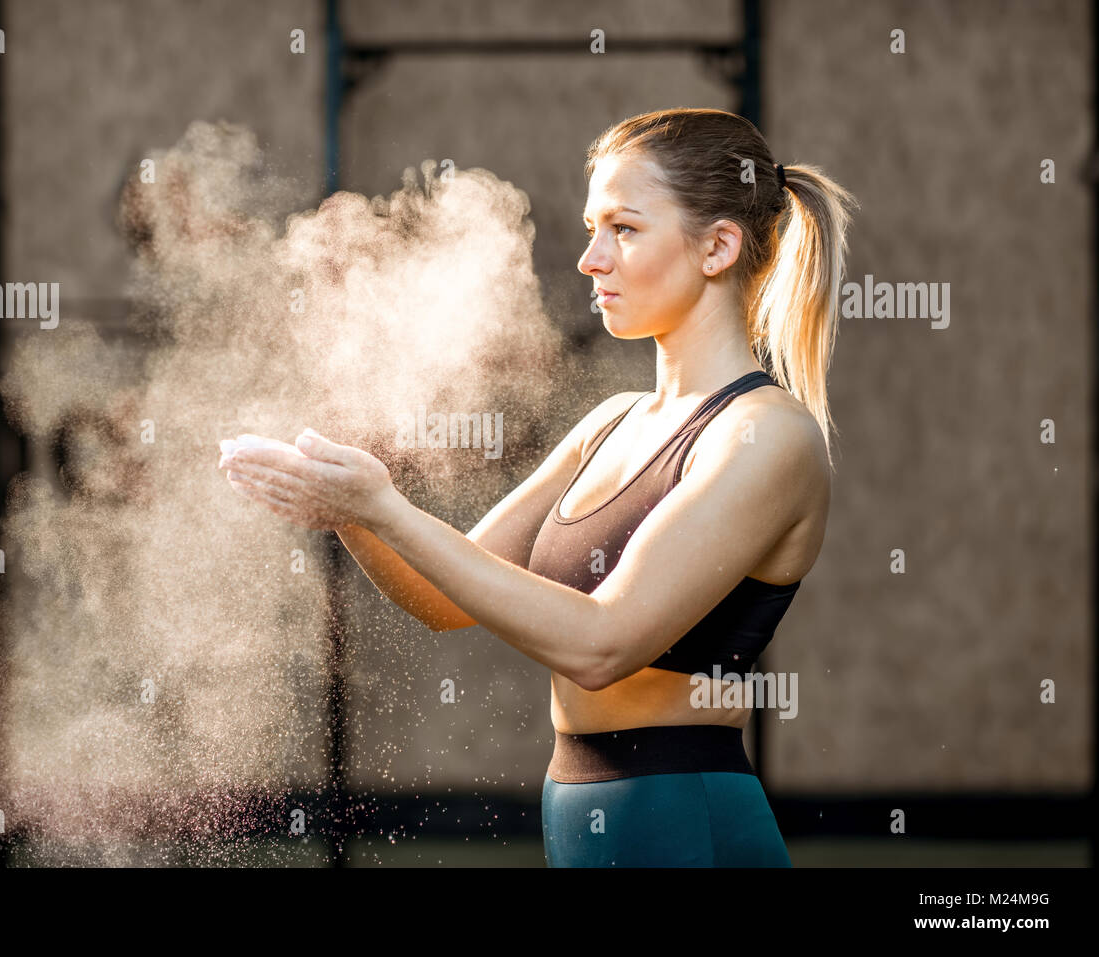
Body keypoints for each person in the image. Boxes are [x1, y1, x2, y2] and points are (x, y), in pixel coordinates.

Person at [219, 108, 857, 866]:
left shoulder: (767, 434)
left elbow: (603, 643)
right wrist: (350, 510)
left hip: (685, 817)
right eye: (593, 226)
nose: (590, 258)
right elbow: (444, 599)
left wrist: (381, 504)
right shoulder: (612, 422)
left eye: (623, 227)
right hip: (582, 813)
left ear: (717, 246)